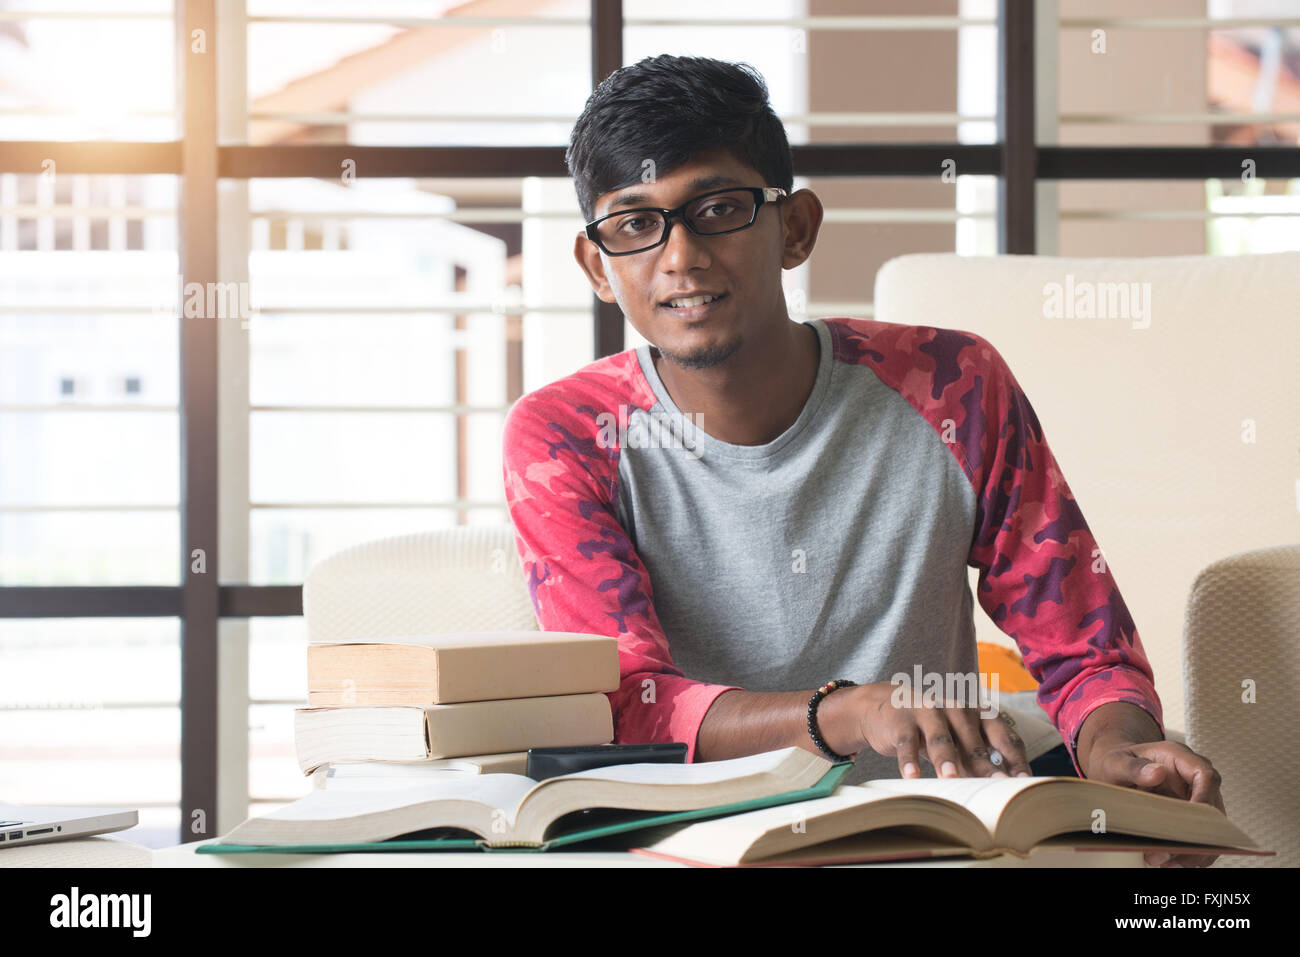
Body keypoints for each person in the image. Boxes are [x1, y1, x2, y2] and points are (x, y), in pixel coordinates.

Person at [500, 54, 1224, 867]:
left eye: (719, 208)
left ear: (796, 227)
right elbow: (629, 702)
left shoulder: (954, 385)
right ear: (599, 264)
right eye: (635, 224)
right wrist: (846, 713)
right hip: (695, 847)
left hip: (938, 840)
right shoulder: (563, 435)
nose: (681, 257)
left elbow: (1084, 647)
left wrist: (1120, 749)